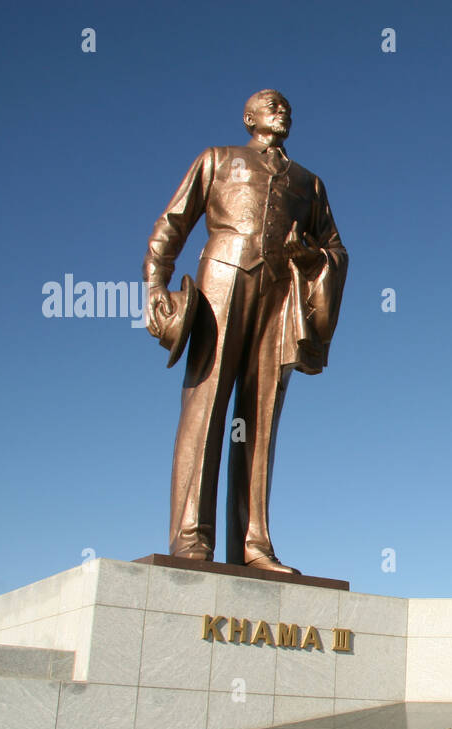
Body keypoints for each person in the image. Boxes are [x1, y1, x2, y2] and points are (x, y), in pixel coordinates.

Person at [144, 90, 346, 573]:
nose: (281, 110)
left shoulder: (309, 182)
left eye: (286, 107)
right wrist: (155, 279)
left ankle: (254, 543)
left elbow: (335, 247)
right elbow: (173, 222)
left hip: (281, 294)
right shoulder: (218, 159)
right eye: (270, 105)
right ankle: (191, 537)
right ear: (248, 117)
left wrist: (313, 257)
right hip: (222, 280)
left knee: (261, 417)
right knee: (207, 402)